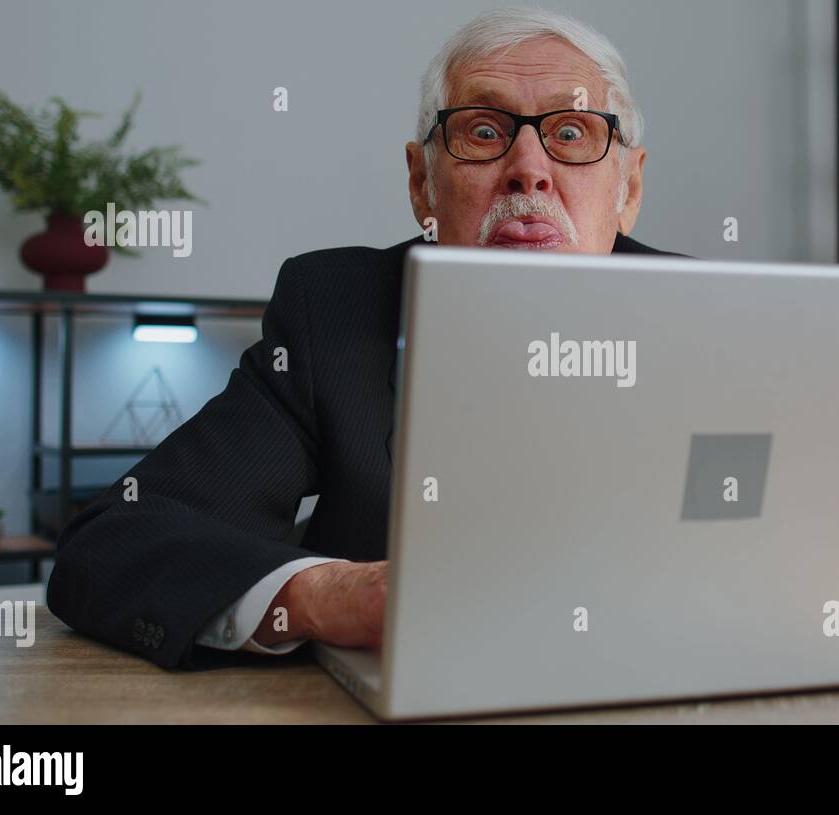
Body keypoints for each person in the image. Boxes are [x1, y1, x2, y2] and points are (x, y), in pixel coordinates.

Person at [47, 8, 683, 669]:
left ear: (628, 188)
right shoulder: (336, 313)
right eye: (485, 130)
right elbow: (113, 541)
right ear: (421, 185)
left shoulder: (708, 322)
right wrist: (328, 593)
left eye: (572, 132)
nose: (529, 168)